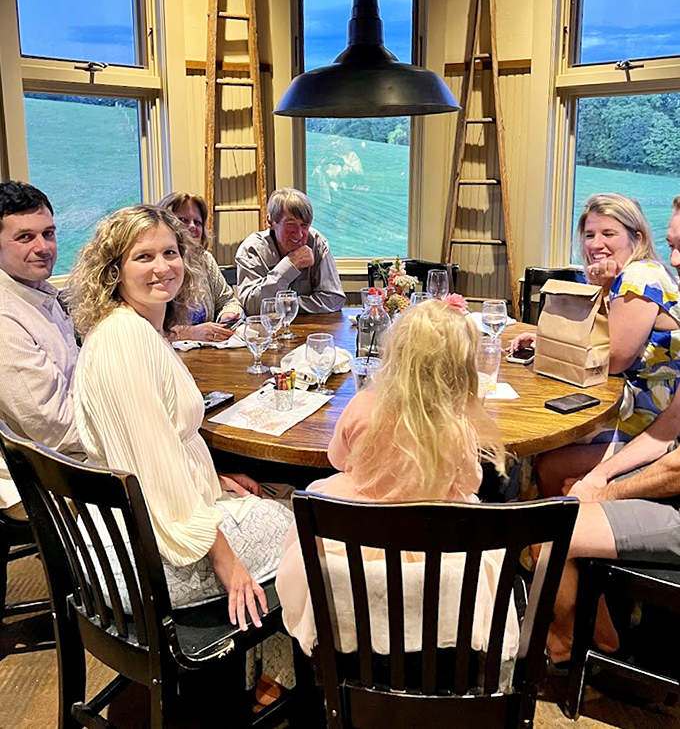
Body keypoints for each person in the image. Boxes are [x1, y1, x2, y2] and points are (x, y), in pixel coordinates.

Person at [67, 205, 293, 628]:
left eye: (170, 253)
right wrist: (228, 564)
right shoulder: (125, 340)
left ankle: (258, 673)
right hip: (141, 555)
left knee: (267, 495)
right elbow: (152, 471)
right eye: (143, 256)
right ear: (113, 270)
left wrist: (213, 476)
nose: (162, 267)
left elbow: (162, 444)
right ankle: (276, 677)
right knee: (305, 523)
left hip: (134, 527)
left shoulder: (138, 328)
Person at [276, 300, 518, 665]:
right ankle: (439, 646)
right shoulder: (456, 426)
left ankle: (356, 640)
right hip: (433, 540)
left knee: (321, 504)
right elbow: (472, 481)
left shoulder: (361, 406)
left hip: (358, 536)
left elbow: (339, 462)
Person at [513, 193, 680, 497]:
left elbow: (612, 360)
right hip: (632, 404)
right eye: (589, 234)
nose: (594, 244)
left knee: (551, 459)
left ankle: (551, 537)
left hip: (649, 415)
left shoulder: (640, 277)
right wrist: (546, 340)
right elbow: (601, 338)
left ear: (637, 237)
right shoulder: (626, 276)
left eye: (608, 234)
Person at [0, 180, 82, 516]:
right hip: (35, 474)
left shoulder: (41, 292)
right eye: (24, 237)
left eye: (48, 233)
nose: (43, 247)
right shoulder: (5, 318)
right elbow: (56, 429)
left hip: (65, 447)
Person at [235, 188, 345, 316]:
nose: (298, 234)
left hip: (310, 330)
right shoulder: (252, 249)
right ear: (270, 222)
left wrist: (287, 304)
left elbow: (334, 300)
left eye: (304, 225)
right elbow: (252, 307)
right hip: (267, 332)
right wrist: (289, 264)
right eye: (290, 224)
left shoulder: (316, 243)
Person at [157, 191, 242, 342]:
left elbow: (228, 301)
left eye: (197, 222)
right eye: (183, 220)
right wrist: (191, 333)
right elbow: (152, 329)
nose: (192, 227)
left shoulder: (205, 260)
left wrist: (227, 317)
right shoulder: (160, 268)